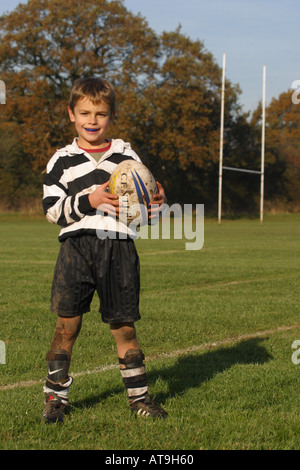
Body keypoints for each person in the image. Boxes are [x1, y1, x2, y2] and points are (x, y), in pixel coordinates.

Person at [42, 77, 167, 423]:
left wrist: (158, 202)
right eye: (84, 112)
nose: (92, 120)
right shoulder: (61, 161)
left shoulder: (126, 155)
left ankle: (139, 399)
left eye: (100, 113)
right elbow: (52, 210)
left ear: (111, 116)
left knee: (123, 327)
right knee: (67, 326)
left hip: (119, 248)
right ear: (71, 114)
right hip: (76, 249)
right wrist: (90, 199)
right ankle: (55, 399)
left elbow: (147, 200)